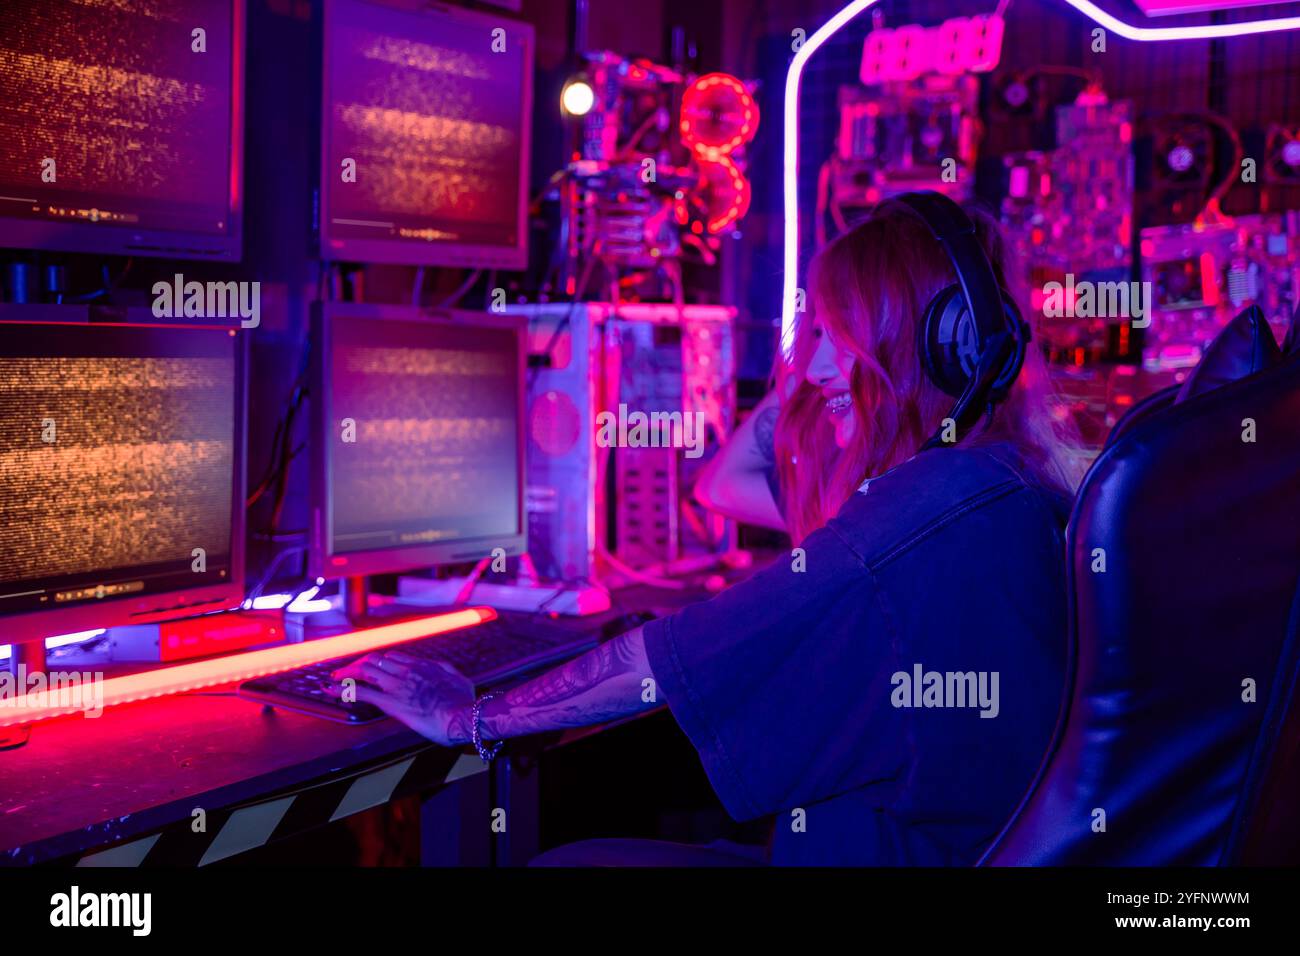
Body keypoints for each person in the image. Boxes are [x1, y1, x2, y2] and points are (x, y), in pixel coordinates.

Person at [333, 194, 1085, 866]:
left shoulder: (899, 527)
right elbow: (722, 485)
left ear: (935, 348)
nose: (816, 362)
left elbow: (655, 661)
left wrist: (468, 716)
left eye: (840, 336)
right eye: (814, 334)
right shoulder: (999, 488)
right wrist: (815, 377)